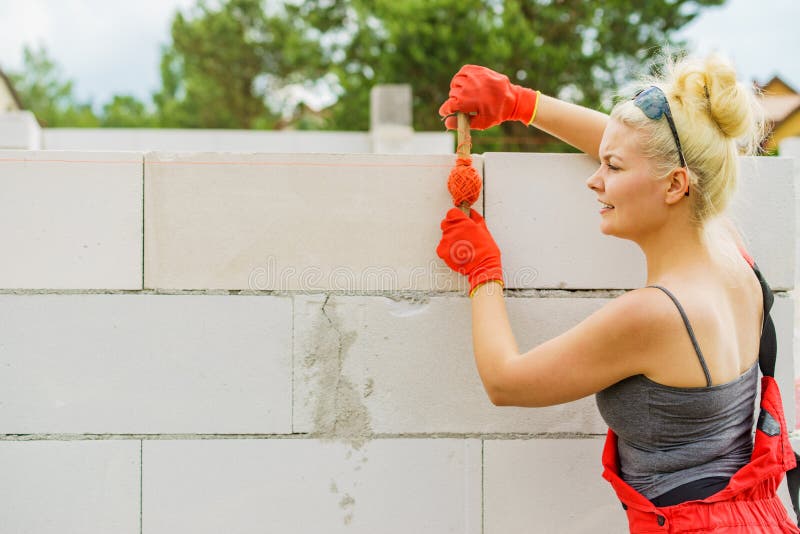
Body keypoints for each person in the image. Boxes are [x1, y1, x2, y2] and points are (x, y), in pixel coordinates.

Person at [435, 53, 799, 532]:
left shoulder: (654, 315)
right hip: (764, 518)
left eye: (612, 167)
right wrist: (520, 103)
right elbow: (649, 153)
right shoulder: (730, 250)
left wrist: (483, 270)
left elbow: (506, 381)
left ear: (675, 184)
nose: (595, 179)